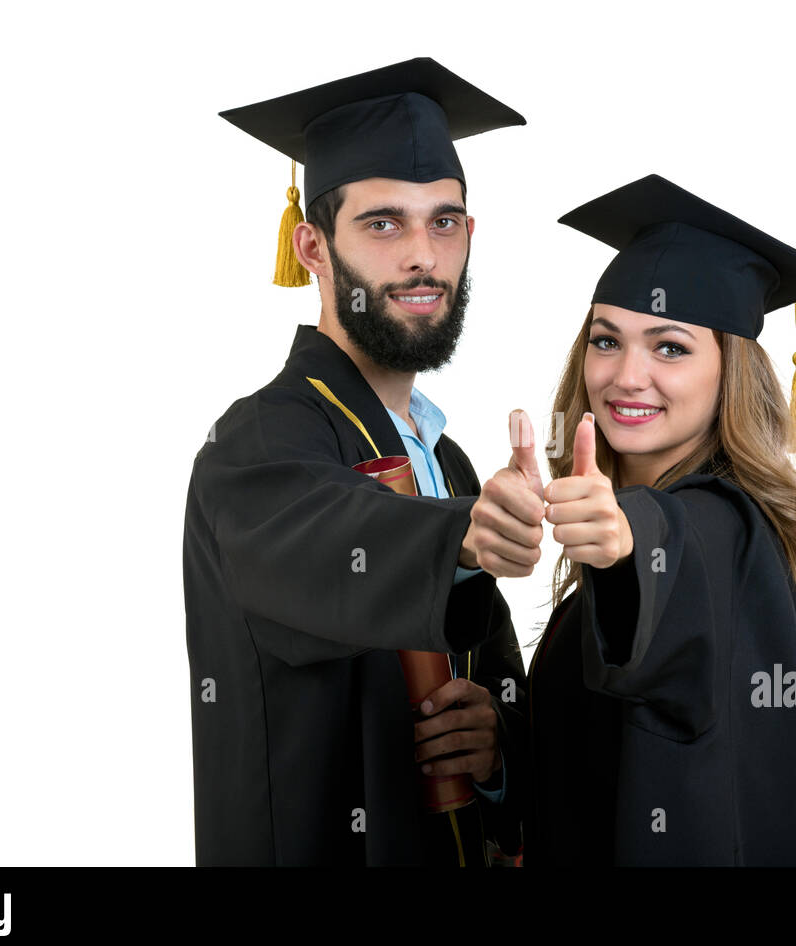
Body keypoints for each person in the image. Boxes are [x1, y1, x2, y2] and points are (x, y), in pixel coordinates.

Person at [182, 58, 536, 866]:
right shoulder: (259, 443)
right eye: (383, 224)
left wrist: (495, 751)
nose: (422, 257)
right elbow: (329, 535)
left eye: (444, 223)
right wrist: (466, 539)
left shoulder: (450, 463)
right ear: (312, 246)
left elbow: (499, 683)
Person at [521, 174, 796, 865]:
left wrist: (625, 538)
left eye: (670, 347)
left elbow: (672, 538)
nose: (626, 375)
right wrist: (500, 743)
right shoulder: (682, 554)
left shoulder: (722, 528)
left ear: (728, 372)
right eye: (607, 342)